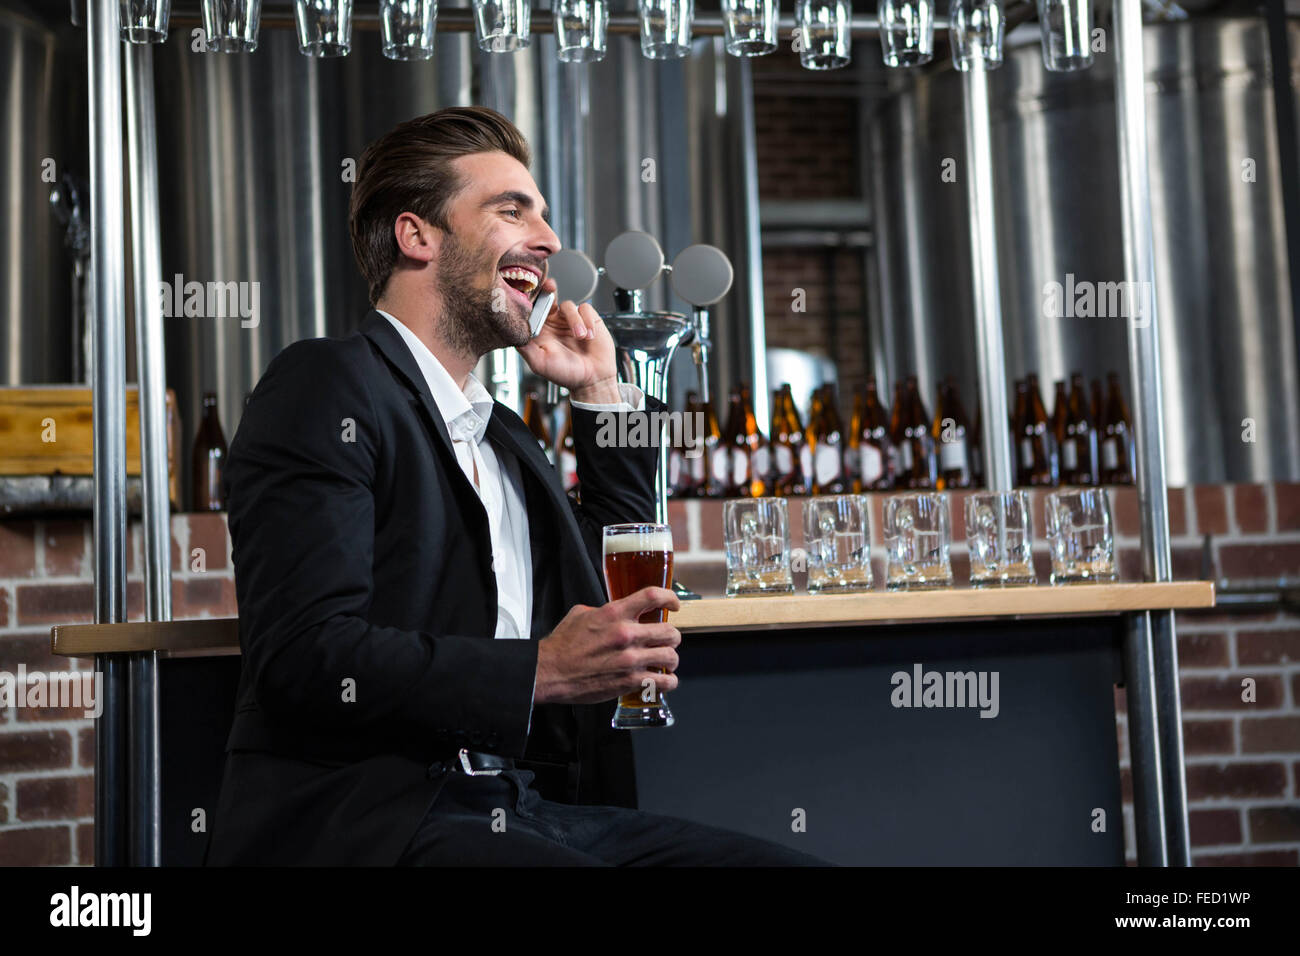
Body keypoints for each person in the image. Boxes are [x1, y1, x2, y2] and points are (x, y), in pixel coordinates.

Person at [204, 106, 822, 866]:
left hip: (521, 807)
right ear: (417, 235)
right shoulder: (328, 384)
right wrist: (542, 671)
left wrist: (601, 392)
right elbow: (304, 657)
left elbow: (608, 580)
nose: (551, 240)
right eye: (512, 209)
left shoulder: (501, 433)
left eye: (545, 215)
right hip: (378, 821)